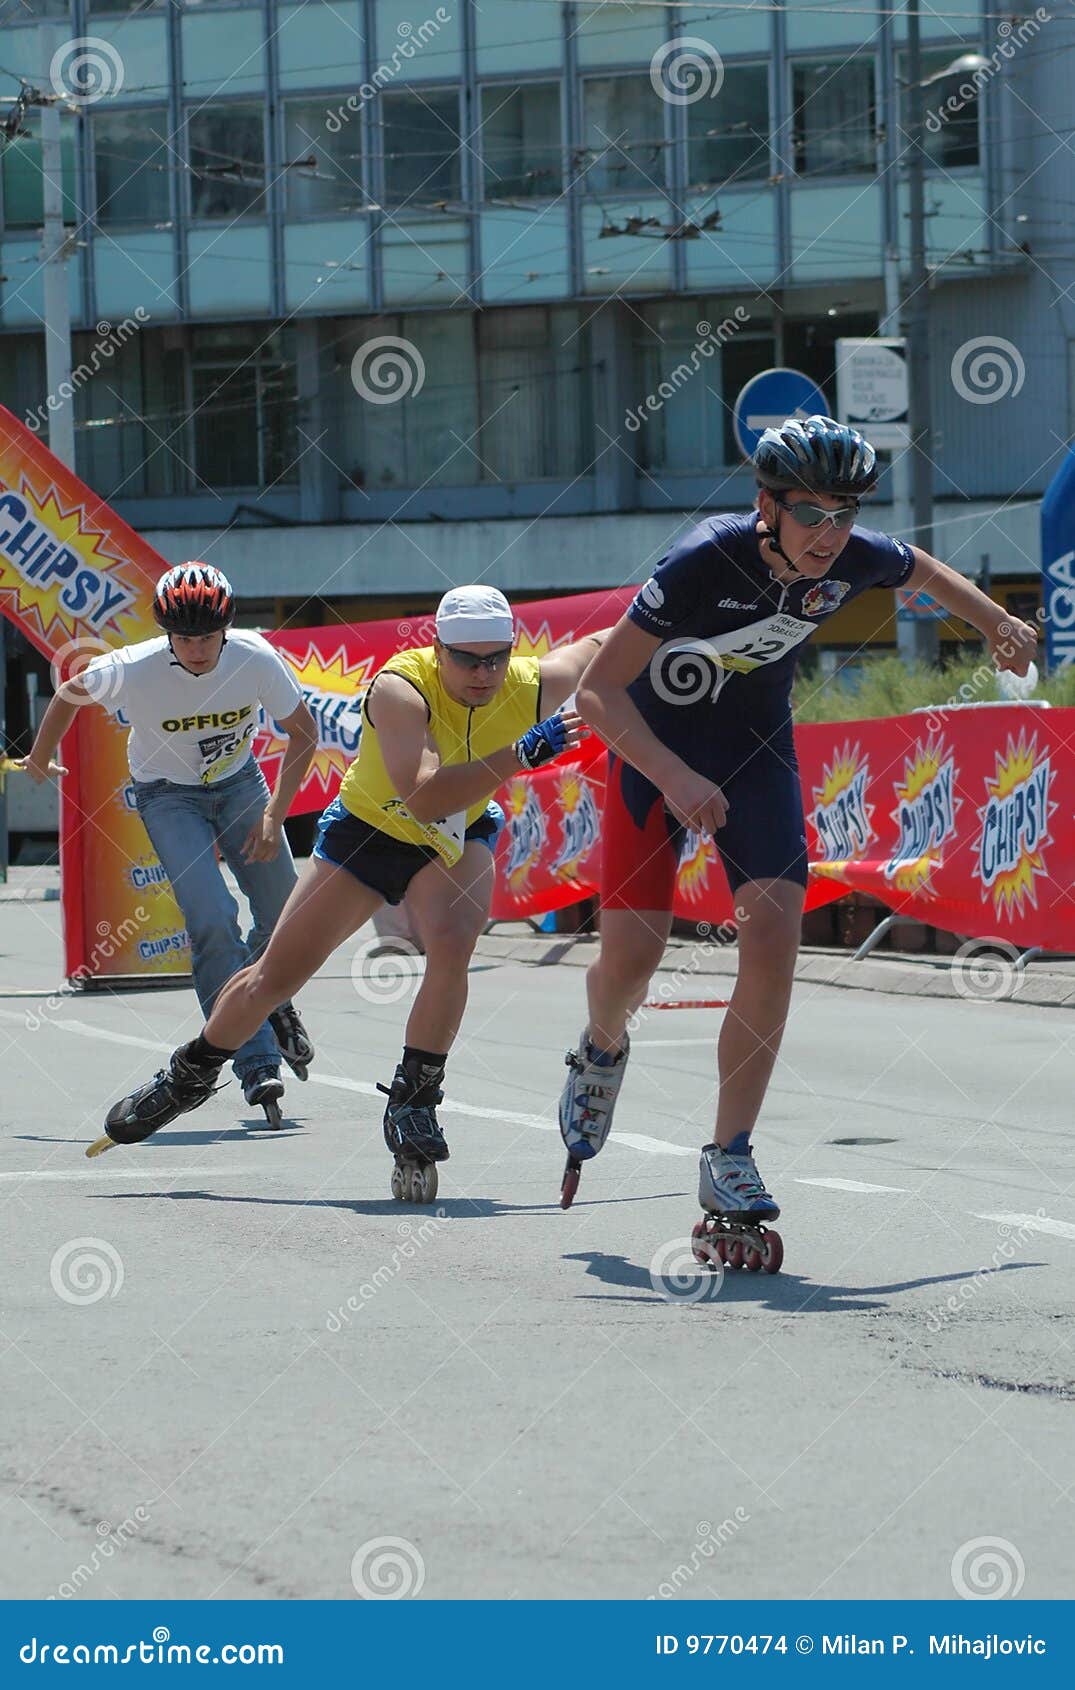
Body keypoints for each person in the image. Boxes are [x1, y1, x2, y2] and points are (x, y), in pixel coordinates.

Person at [557, 415, 1038, 1228]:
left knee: (774, 939)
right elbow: (599, 694)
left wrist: (995, 621)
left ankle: (730, 1153)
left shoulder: (854, 555)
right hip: (654, 751)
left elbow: (922, 569)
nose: (830, 532)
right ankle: (601, 1047)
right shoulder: (703, 558)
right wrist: (673, 776)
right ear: (765, 506)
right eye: (810, 513)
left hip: (754, 754)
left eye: (845, 512)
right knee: (632, 959)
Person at [99, 585, 608, 1199]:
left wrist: (709, 614)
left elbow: (612, 642)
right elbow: (424, 795)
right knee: (274, 980)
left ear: (512, 651)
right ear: (437, 649)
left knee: (451, 947)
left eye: (495, 658)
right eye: (466, 659)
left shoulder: (533, 682)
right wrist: (521, 752)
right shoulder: (400, 688)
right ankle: (191, 1071)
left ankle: (416, 1097)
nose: (482, 673)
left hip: (455, 837)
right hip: (371, 834)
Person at [20, 563, 319, 1116]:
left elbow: (305, 732)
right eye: (184, 638)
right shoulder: (133, 668)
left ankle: (269, 999)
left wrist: (276, 814)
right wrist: (41, 758)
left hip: (240, 785)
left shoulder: (255, 658)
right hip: (167, 795)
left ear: (226, 629)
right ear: (166, 634)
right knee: (211, 920)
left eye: (207, 637)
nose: (198, 649)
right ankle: (254, 1060)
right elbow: (66, 693)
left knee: (288, 914)